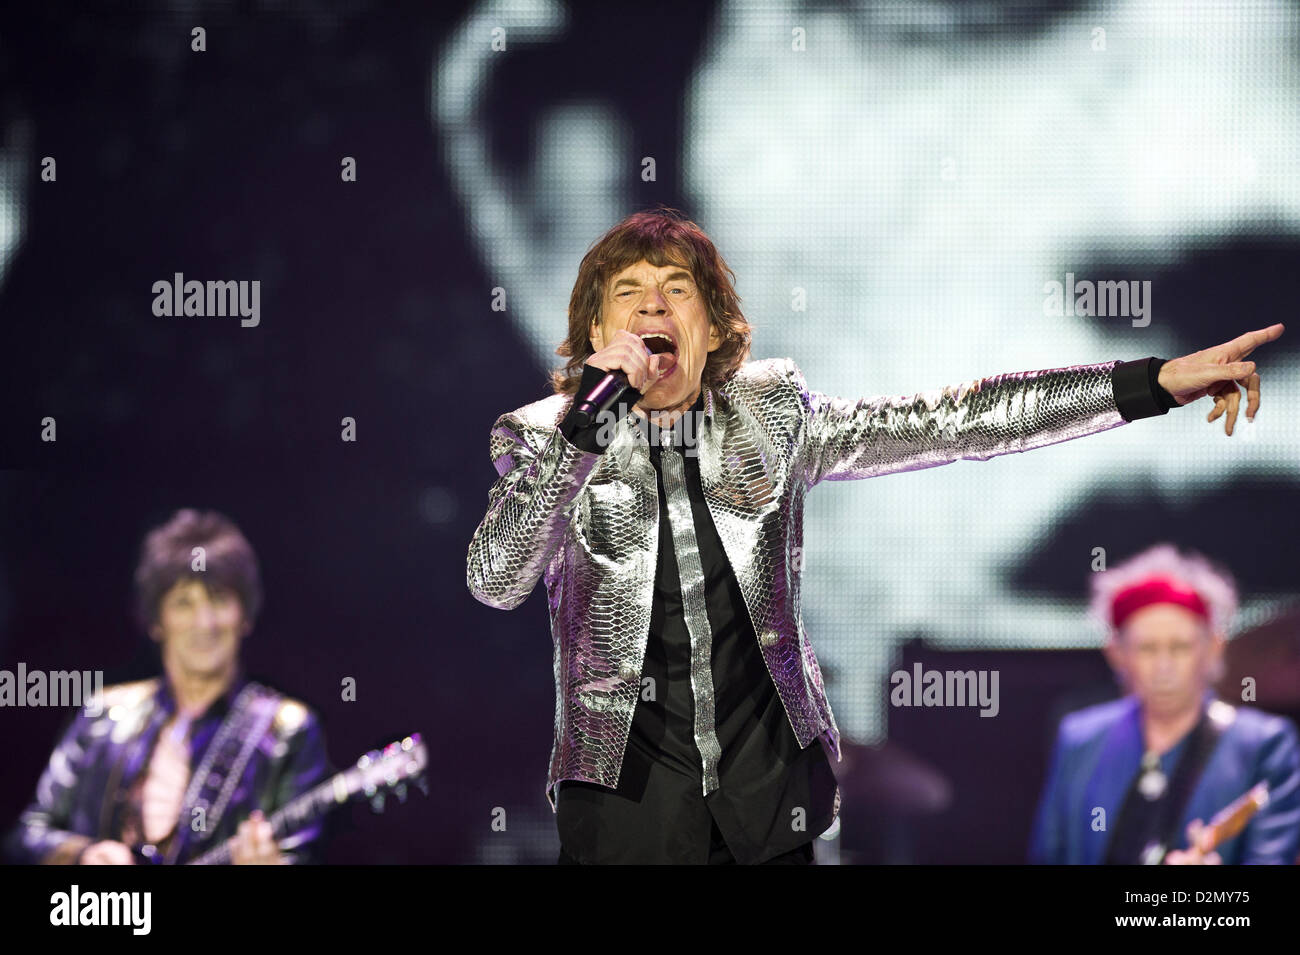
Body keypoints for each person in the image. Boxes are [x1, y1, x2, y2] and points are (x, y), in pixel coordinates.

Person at [466, 207, 1284, 864]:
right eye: (630, 292)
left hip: (767, 800)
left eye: (677, 289)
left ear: (712, 328)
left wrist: (1153, 383)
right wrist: (587, 429)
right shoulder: (545, 437)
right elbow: (497, 576)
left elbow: (957, 420)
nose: (653, 306)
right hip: (627, 805)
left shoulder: (773, 414)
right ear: (594, 329)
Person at [6, 509, 331, 865]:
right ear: (156, 621)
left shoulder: (287, 729)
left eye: (219, 600)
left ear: (246, 615)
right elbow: (26, 836)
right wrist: (84, 854)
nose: (203, 622)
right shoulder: (104, 713)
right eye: (183, 603)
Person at [1029, 543, 1300, 864]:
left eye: (1181, 647)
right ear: (1116, 653)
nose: (1164, 667)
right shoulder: (1081, 738)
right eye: (1147, 648)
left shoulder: (1264, 745)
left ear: (1213, 647)